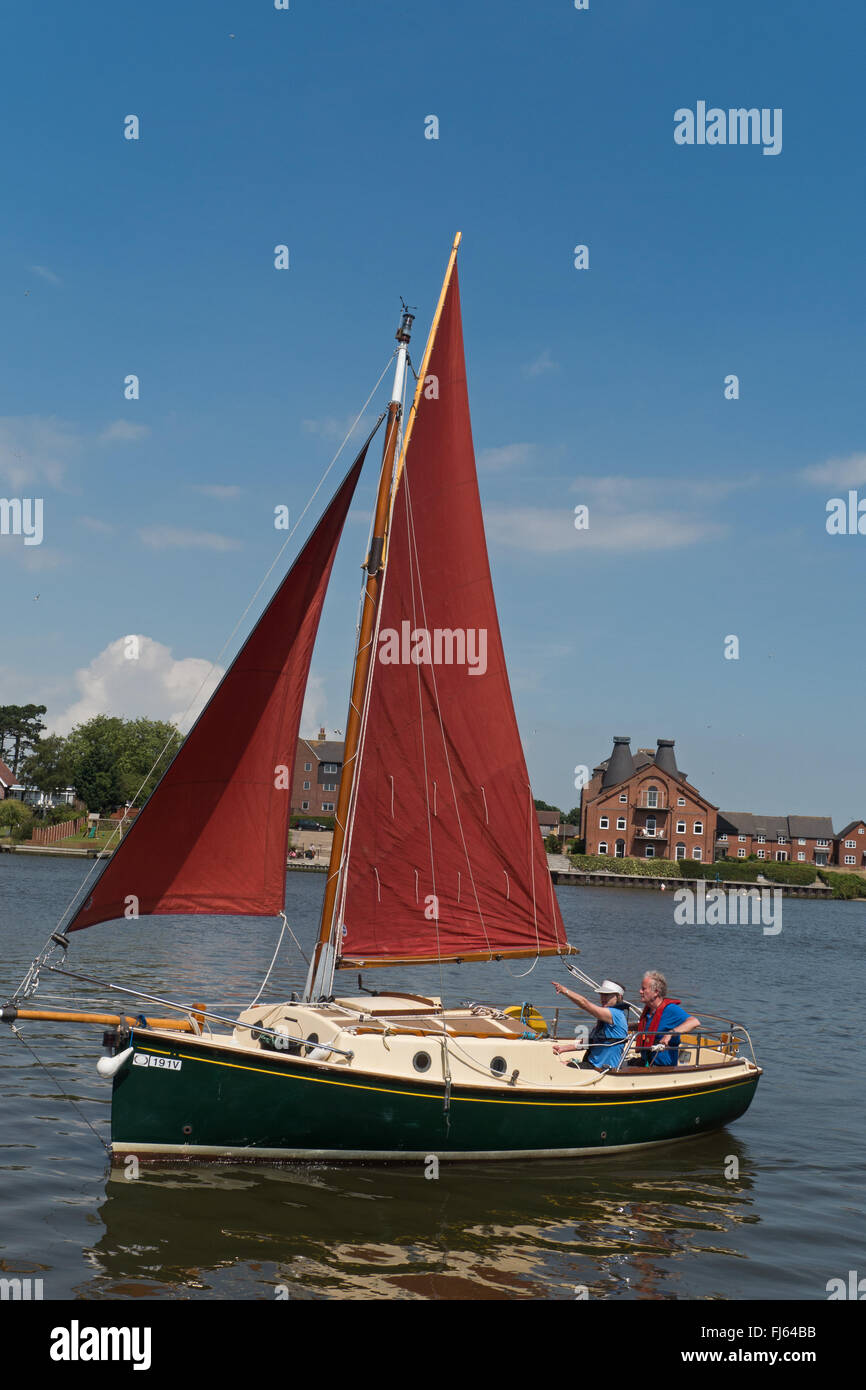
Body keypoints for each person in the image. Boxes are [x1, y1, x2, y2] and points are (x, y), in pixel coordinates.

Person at [551, 979, 629, 1072]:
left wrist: (565, 991)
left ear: (618, 997)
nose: (603, 998)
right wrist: (563, 1048)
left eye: (607, 995)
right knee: (559, 1064)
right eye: (602, 994)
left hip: (603, 1069)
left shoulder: (615, 1014)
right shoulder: (607, 1017)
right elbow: (590, 1042)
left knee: (556, 1068)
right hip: (591, 1064)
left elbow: (585, 1004)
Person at [634, 970, 701, 1067]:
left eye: (644, 989)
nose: (640, 991)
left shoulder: (670, 1009)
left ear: (656, 992)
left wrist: (670, 1033)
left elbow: (694, 1022)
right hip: (646, 1063)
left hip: (663, 1068)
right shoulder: (649, 1011)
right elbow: (647, 1027)